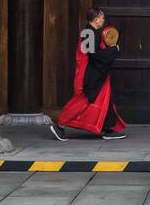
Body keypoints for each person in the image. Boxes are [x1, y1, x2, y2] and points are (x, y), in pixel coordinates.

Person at [51, 7, 129, 141]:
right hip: (88, 75)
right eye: (102, 17)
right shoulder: (88, 33)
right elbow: (95, 56)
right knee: (82, 101)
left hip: (93, 73)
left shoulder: (91, 32)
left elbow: (95, 53)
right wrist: (113, 50)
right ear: (96, 19)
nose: (103, 20)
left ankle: (107, 129)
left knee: (105, 100)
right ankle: (60, 125)